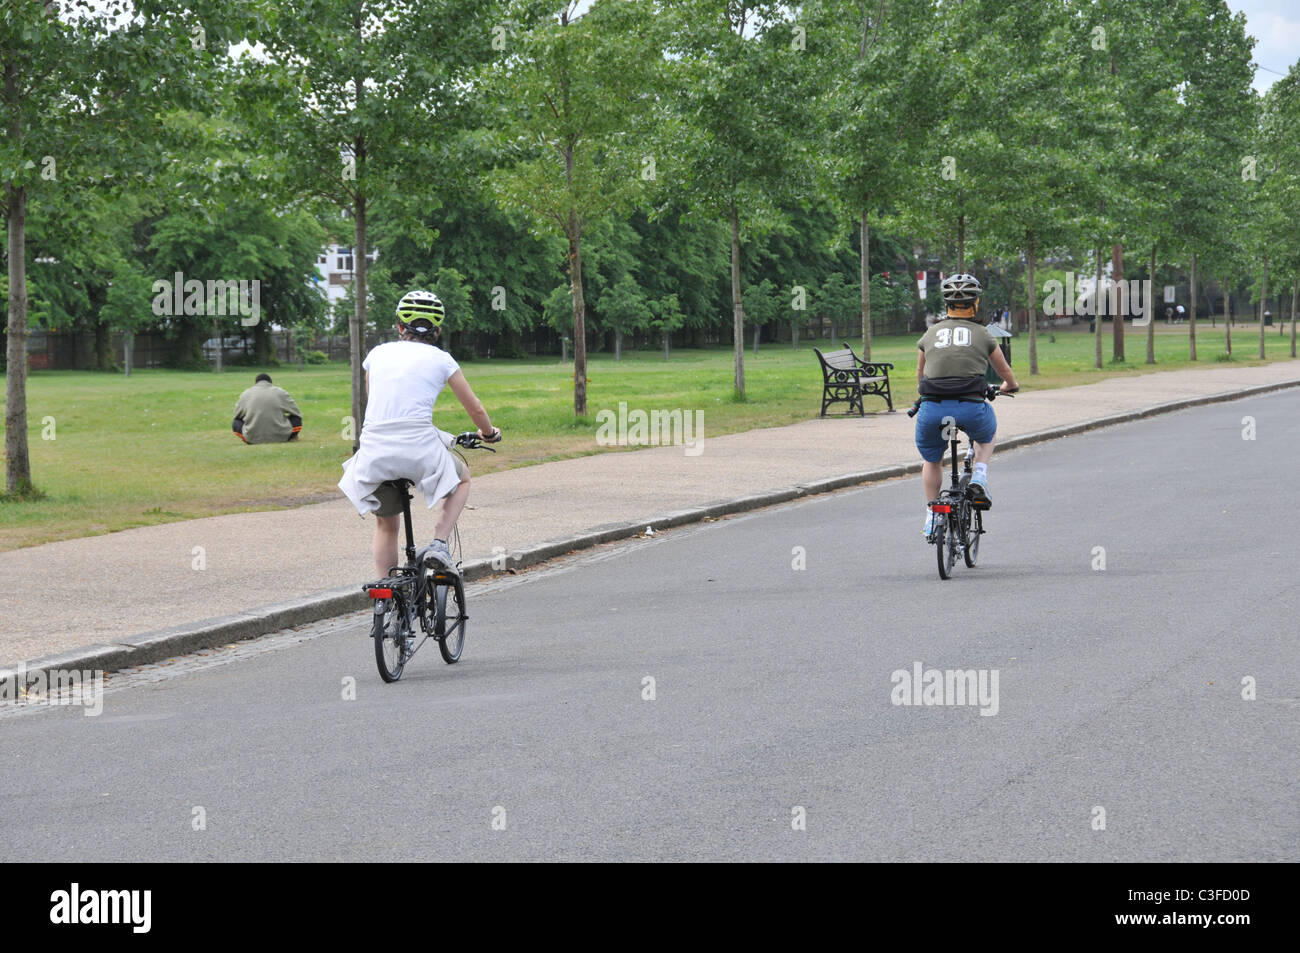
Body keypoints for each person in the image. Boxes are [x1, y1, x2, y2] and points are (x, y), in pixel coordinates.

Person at [338, 289, 500, 578]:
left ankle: (385, 596)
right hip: (419, 452)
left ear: (400, 327)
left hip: (375, 452)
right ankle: (439, 543)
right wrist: (488, 433)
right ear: (438, 330)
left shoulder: (377, 355)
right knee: (462, 478)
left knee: (386, 525)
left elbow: (377, 400)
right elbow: (474, 408)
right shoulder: (443, 360)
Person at [915, 273, 1019, 537]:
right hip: (970, 407)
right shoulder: (983, 334)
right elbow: (1005, 371)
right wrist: (1009, 386)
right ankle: (979, 477)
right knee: (987, 434)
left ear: (947, 304)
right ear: (975, 303)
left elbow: (921, 374)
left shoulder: (930, 333)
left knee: (932, 460)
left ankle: (931, 516)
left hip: (932, 409)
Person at [232, 373, 302, 444]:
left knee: (236, 421)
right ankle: (292, 437)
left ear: (256, 383)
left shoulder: (246, 394)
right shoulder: (280, 392)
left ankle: (247, 438)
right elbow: (297, 412)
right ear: (270, 383)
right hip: (282, 436)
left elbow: (236, 415)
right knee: (296, 418)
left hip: (252, 438)